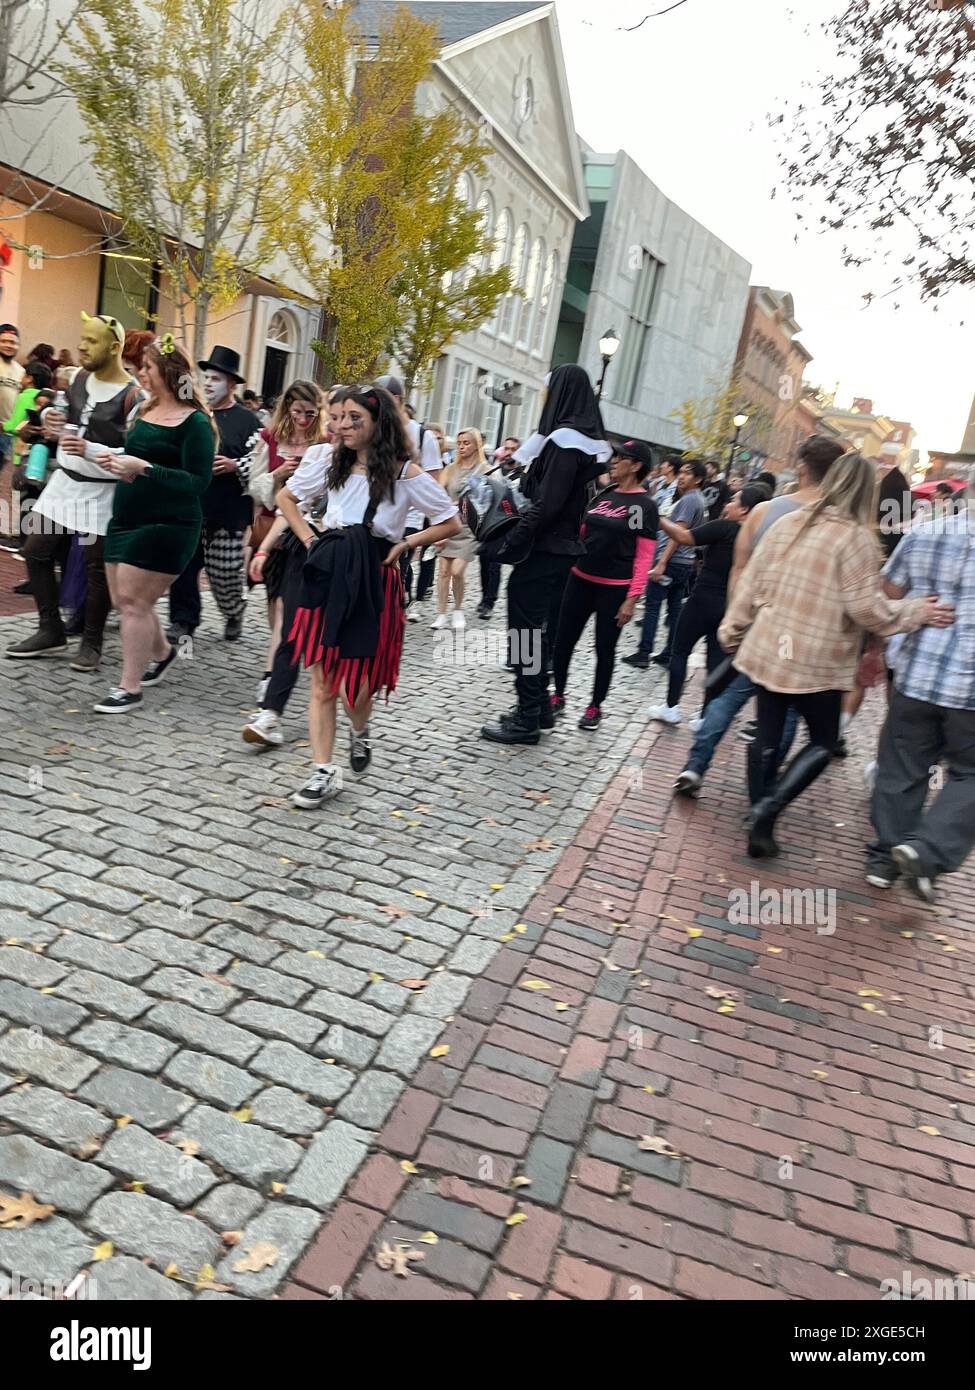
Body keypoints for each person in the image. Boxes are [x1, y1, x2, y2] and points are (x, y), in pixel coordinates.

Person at [718, 453, 954, 859]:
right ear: (865, 490)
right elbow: (867, 610)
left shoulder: (790, 523)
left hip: (770, 647)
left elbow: (753, 580)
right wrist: (916, 611)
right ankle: (766, 810)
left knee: (767, 734)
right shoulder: (856, 538)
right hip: (818, 657)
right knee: (825, 741)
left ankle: (761, 821)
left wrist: (732, 628)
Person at [273, 386, 458, 807]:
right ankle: (323, 769)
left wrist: (409, 544)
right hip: (329, 571)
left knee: (355, 690)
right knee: (322, 683)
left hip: (375, 578)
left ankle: (359, 731)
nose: (343, 426)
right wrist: (309, 540)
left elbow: (450, 522)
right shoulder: (327, 460)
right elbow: (287, 497)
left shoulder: (403, 472)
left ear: (379, 422)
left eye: (354, 418)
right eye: (338, 417)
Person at [673, 436, 848, 797]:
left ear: (801, 466)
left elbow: (740, 570)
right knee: (785, 712)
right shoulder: (843, 522)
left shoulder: (764, 512)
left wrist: (736, 620)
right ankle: (765, 782)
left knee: (729, 698)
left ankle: (695, 766)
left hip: (759, 622)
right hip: (804, 634)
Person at [480, 364, 611, 747]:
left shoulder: (567, 440)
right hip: (559, 551)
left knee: (525, 635)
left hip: (545, 551)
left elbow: (548, 504)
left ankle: (527, 718)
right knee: (535, 635)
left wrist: (512, 538)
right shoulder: (580, 442)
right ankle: (535, 708)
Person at [6, 312, 140, 670]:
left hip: (103, 491)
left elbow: (139, 455)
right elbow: (62, 417)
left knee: (98, 568)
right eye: (82, 338)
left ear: (113, 347)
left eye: (91, 341)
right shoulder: (79, 377)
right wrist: (51, 420)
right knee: (35, 550)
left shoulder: (133, 396)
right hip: (65, 483)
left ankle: (92, 643)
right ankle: (51, 629)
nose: (82, 345)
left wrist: (93, 451)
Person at [95, 337, 216, 713]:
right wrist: (115, 460)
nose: (140, 373)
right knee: (124, 600)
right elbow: (136, 456)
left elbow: (198, 482)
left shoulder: (195, 422)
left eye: (147, 366)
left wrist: (143, 468)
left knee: (135, 603)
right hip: (127, 518)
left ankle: (129, 688)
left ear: (168, 370)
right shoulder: (145, 409)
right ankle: (163, 652)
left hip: (168, 525)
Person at [866, 495, 973, 901]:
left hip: (916, 676)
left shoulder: (924, 532)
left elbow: (885, 595)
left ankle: (885, 858)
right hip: (969, 690)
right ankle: (925, 850)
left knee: (902, 767)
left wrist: (876, 650)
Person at [551, 441, 658, 731]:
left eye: (621, 458)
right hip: (580, 579)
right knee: (563, 642)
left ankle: (595, 706)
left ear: (636, 466)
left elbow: (642, 555)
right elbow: (583, 533)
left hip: (613, 588)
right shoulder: (605, 495)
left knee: (604, 649)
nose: (613, 462)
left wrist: (632, 598)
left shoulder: (641, 506)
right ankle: (557, 695)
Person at [648, 483, 770, 727]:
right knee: (715, 661)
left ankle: (671, 707)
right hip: (730, 605)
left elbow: (683, 536)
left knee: (680, 651)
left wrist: (658, 517)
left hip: (702, 600)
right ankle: (705, 716)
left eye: (734, 501)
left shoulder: (725, 528)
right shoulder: (761, 539)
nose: (728, 504)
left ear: (745, 510)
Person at [243, 379, 328, 715]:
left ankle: (271, 674)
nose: (304, 419)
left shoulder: (325, 442)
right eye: (298, 412)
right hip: (272, 532)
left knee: (283, 608)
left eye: (310, 413)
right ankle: (279, 658)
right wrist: (279, 474)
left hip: (305, 531)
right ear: (287, 408)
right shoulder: (270, 438)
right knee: (273, 607)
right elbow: (254, 487)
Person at [168, 346, 255, 644]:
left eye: (216, 379)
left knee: (225, 573)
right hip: (191, 508)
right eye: (206, 377)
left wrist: (235, 465)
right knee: (182, 567)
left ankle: (234, 611)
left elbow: (261, 462)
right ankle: (183, 620)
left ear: (231, 384)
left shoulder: (248, 421)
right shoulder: (194, 415)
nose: (208, 383)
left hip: (228, 511)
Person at [623, 458, 707, 671]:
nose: (682, 476)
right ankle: (669, 652)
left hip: (672, 562)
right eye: (682, 472)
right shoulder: (696, 499)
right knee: (674, 608)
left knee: (652, 607)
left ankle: (644, 652)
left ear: (698, 479)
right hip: (683, 563)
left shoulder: (689, 500)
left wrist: (661, 563)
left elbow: (677, 534)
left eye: (688, 473)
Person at [432, 427, 488, 631]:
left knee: (457, 571)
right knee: (444, 571)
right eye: (459, 443)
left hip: (470, 528)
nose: (462, 446)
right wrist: (438, 525)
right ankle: (441, 614)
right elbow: (438, 497)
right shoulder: (450, 469)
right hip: (449, 524)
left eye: (466, 443)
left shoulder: (485, 469)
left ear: (476, 445)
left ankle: (457, 609)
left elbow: (490, 498)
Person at [0, 324, 25, 475]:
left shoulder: (22, 371)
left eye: (13, 342)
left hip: (6, 433)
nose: (9, 346)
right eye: (4, 341)